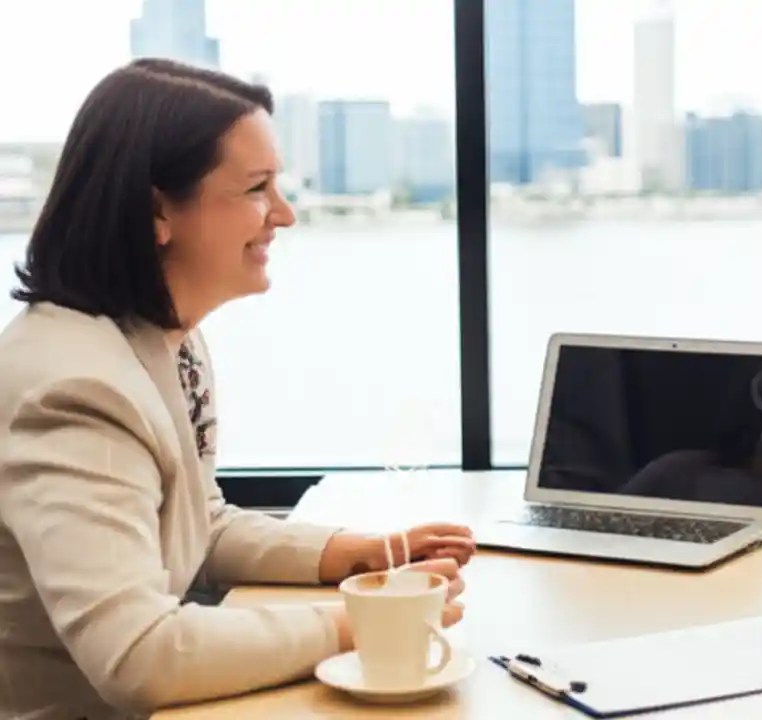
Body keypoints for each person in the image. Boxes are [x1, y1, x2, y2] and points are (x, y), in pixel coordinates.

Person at [0, 59, 476, 719]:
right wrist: (360, 619)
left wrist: (356, 554)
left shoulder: (165, 339)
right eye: (257, 188)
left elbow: (197, 521)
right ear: (158, 210)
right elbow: (140, 655)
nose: (283, 214)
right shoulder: (74, 388)